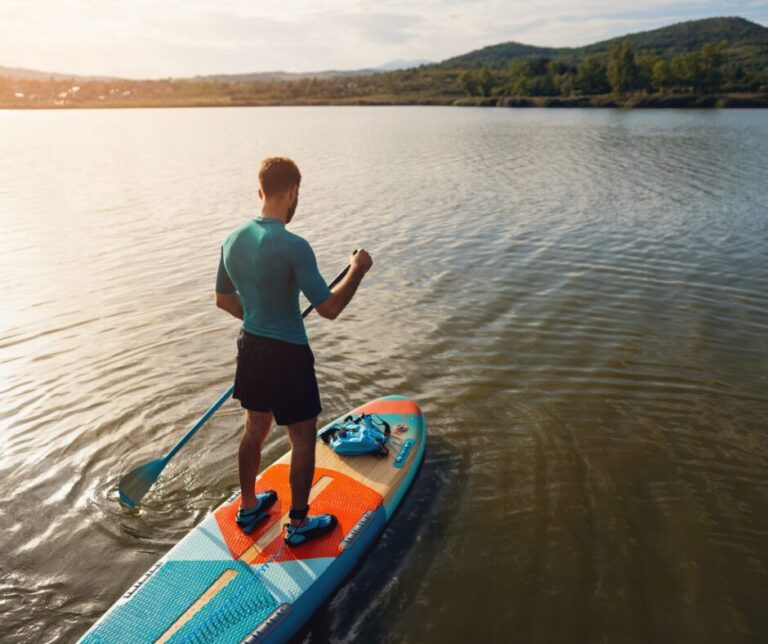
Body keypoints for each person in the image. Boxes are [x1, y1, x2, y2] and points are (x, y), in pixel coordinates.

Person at [215, 156, 373, 546]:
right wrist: (358, 269)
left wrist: (255, 316)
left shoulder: (232, 239)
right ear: (292, 193)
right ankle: (299, 524)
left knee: (255, 427)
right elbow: (329, 308)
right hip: (288, 353)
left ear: (260, 191)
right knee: (302, 437)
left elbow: (223, 299)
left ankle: (249, 506)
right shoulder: (294, 245)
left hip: (251, 345)